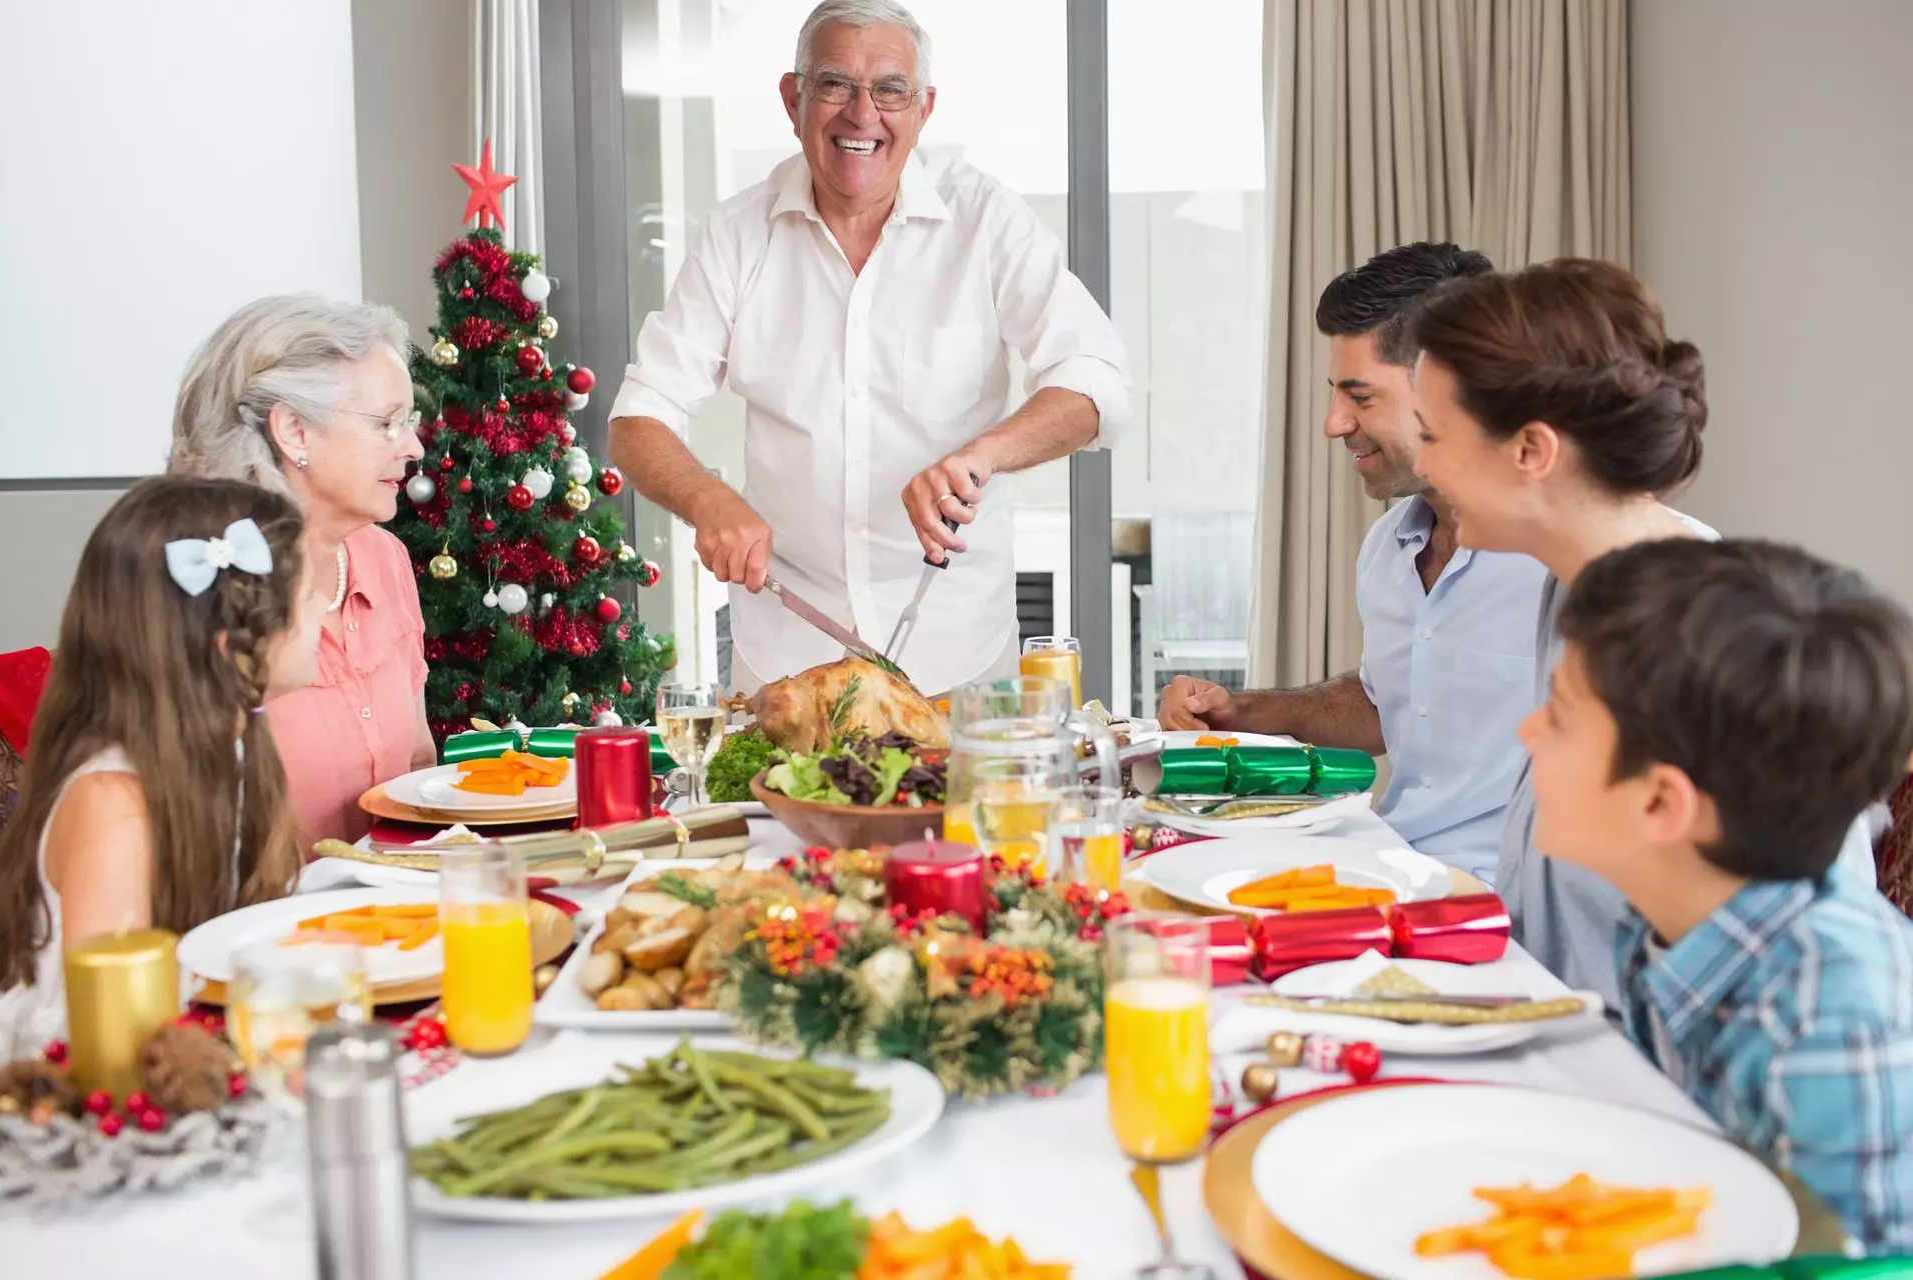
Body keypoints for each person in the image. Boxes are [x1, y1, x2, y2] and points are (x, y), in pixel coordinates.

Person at [608, 0, 1132, 698]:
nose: (862, 115)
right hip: (787, 662)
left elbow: (1098, 383)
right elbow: (640, 415)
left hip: (958, 658)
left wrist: (984, 456)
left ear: (923, 110)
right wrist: (708, 498)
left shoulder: (986, 222)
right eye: (834, 85)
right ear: (793, 100)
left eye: (890, 90)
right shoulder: (737, 234)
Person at [1411, 258, 1874, 1003]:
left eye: (1431, 436)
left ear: (1532, 450)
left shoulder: (1710, 640)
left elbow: (1818, 958)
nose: (1421, 466)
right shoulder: (1573, 587)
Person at [1526, 538, 1913, 1251]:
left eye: (1560, 713)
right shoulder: (1675, 913)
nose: (1529, 732)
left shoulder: (1829, 1021)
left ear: (1660, 804)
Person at [1158, 243, 1546, 884]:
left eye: (1360, 397)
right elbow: (1388, 705)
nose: (1333, 423)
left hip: (1505, 905)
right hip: (1393, 863)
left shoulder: (1574, 563)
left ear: (1448, 385)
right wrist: (1240, 713)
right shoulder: (1392, 544)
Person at [0, 477, 318, 1066]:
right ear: (231, 646)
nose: (324, 607)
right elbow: (112, 1049)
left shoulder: (240, 742)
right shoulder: (114, 804)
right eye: (310, 594)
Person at [170, 294, 434, 847]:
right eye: (387, 423)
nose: (413, 447)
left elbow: (416, 762)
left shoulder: (383, 559)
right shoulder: (201, 583)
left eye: (408, 421)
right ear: (293, 431)